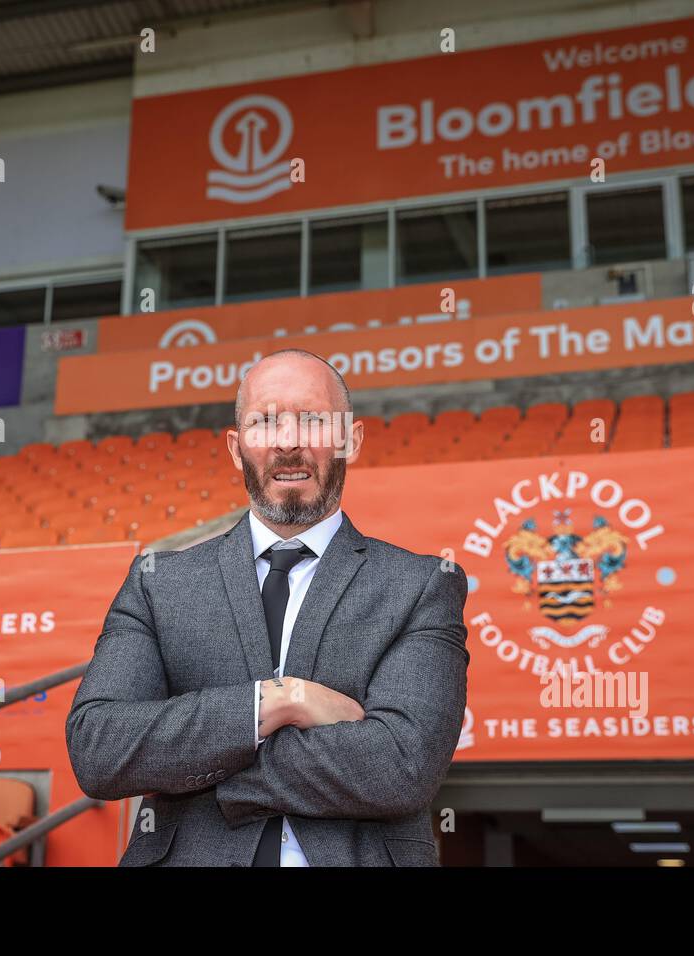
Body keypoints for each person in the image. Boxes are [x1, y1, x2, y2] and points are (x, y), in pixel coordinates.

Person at [65, 348, 469, 866]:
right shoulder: (157, 583)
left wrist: (213, 772)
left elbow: (401, 768)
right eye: (265, 421)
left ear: (351, 439)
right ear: (237, 448)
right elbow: (100, 750)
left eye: (313, 419)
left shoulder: (421, 584)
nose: (287, 441)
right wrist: (277, 701)